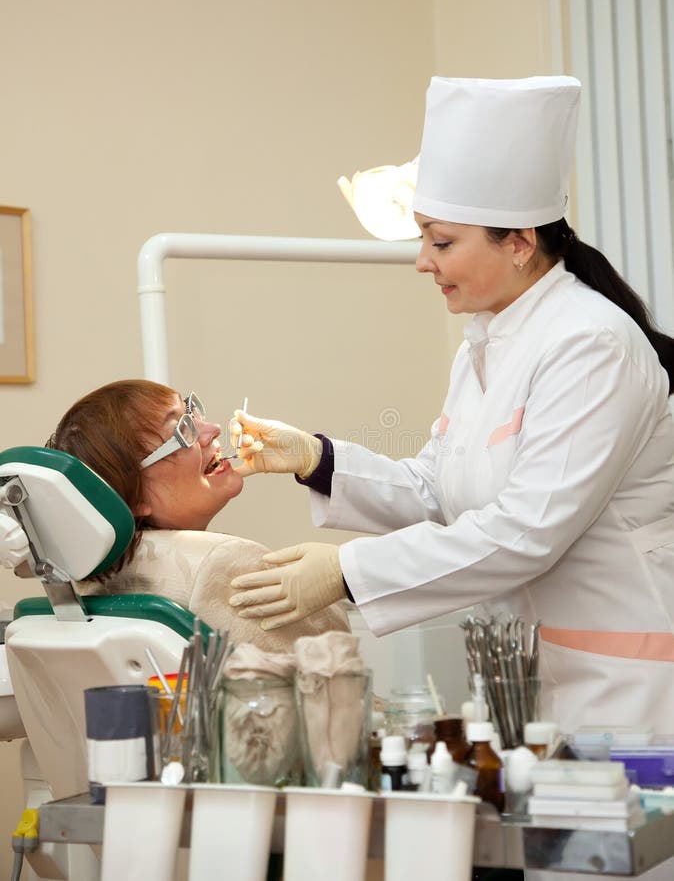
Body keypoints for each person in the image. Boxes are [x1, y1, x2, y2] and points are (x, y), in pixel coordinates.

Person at [227, 76, 674, 741]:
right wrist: (317, 459)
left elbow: (527, 531)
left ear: (518, 242)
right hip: (533, 681)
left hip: (626, 688)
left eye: (441, 242)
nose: (421, 263)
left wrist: (347, 573)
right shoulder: (486, 344)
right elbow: (440, 489)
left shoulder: (592, 345)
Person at [46, 379, 349, 650]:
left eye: (191, 414)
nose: (213, 429)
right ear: (135, 497)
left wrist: (318, 460)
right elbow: (338, 673)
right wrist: (344, 576)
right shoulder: (221, 563)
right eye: (181, 431)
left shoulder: (83, 583)